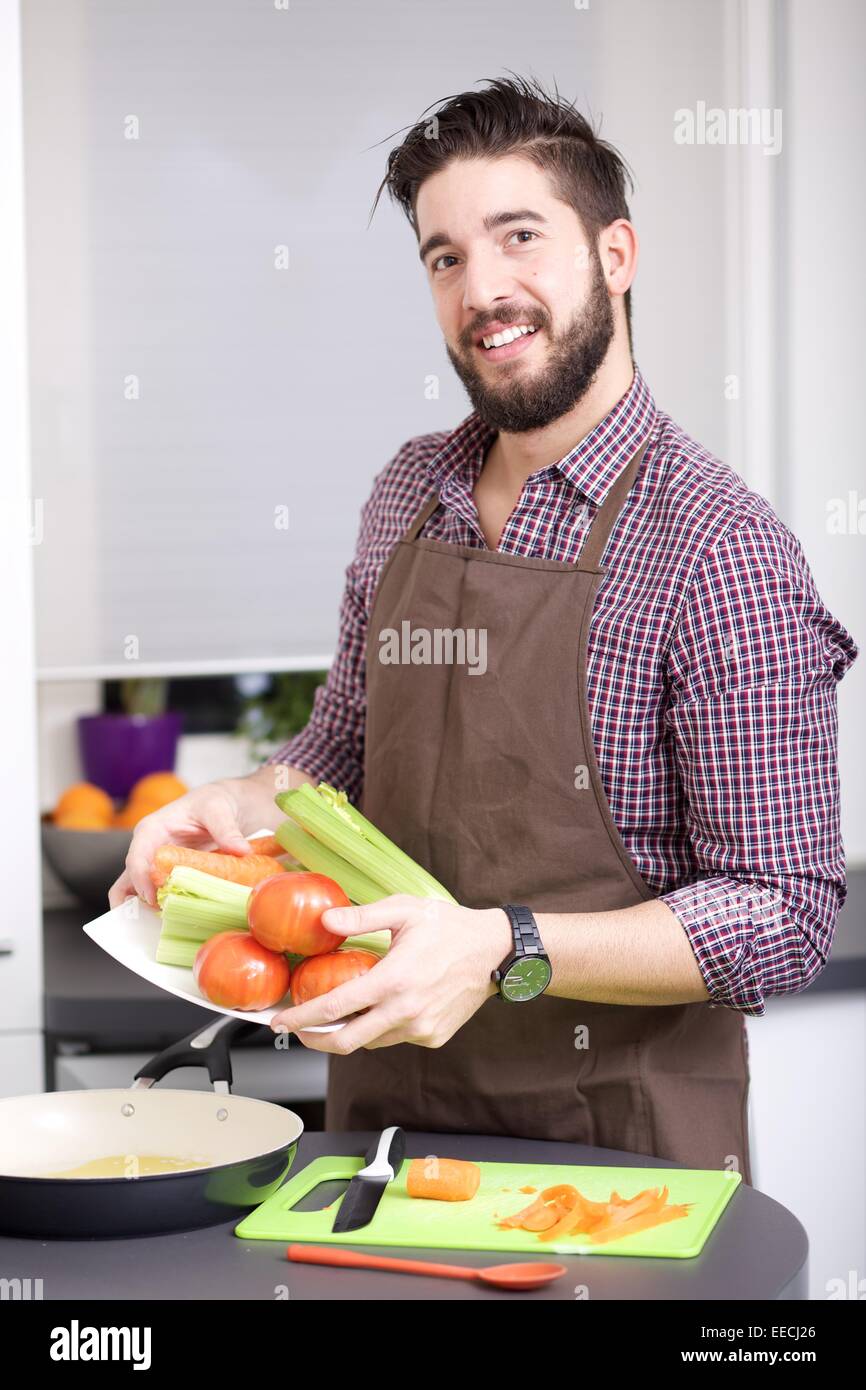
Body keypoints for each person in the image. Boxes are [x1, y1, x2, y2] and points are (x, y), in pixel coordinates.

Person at [109, 77, 858, 1182]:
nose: (482, 289)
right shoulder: (410, 489)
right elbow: (343, 745)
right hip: (384, 1121)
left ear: (614, 255)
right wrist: (240, 802)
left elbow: (780, 910)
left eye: (519, 237)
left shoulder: (719, 549)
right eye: (444, 256)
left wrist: (505, 945)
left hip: (615, 1154)